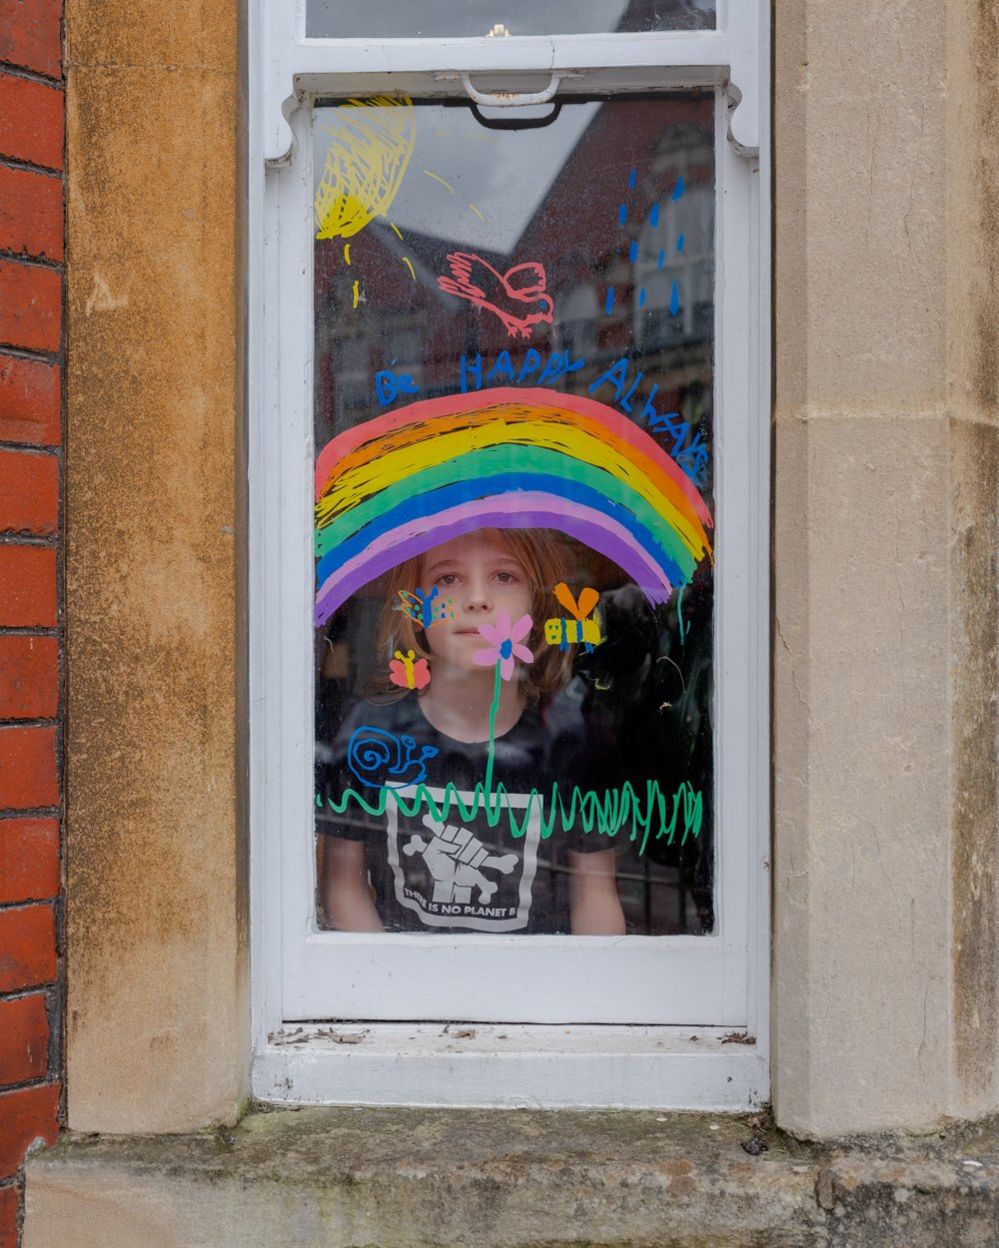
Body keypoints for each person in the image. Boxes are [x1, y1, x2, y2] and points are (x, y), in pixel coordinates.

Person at [317, 527, 627, 935]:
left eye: (505, 576)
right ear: (415, 607)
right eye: (448, 578)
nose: (478, 598)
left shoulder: (571, 739)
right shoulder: (370, 733)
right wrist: (388, 975)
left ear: (537, 602)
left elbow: (596, 898)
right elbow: (344, 888)